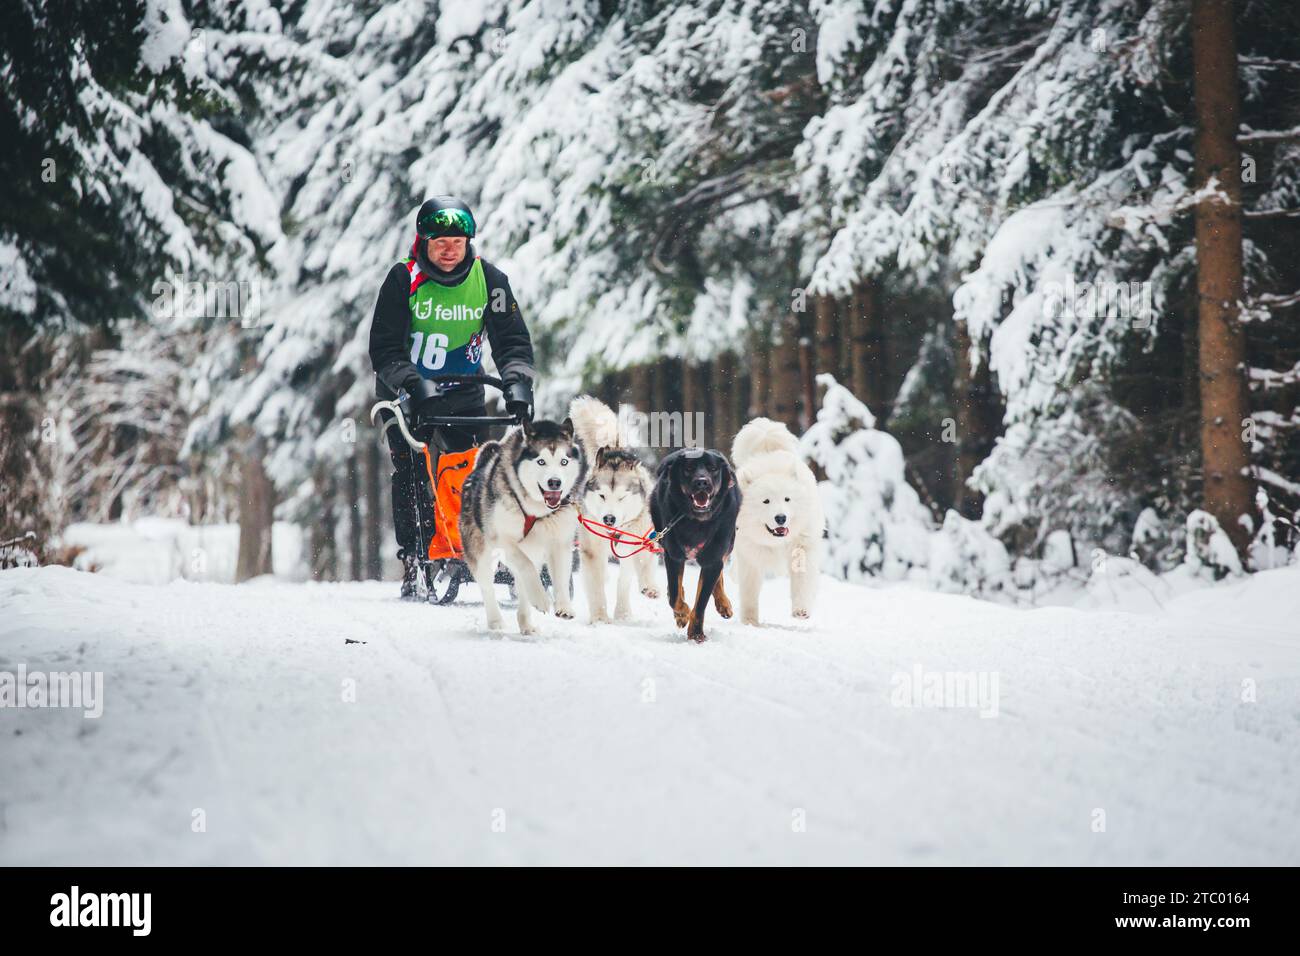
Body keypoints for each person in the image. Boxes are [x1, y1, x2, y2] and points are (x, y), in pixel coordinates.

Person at [369, 196, 536, 598]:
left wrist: (517, 382)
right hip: (405, 395)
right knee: (413, 471)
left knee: (472, 474)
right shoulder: (402, 280)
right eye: (439, 241)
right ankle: (417, 557)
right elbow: (385, 349)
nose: (448, 250)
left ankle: (475, 551)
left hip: (465, 393)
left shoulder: (489, 281)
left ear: (468, 243)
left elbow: (512, 341)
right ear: (423, 241)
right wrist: (412, 382)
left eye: (457, 242)